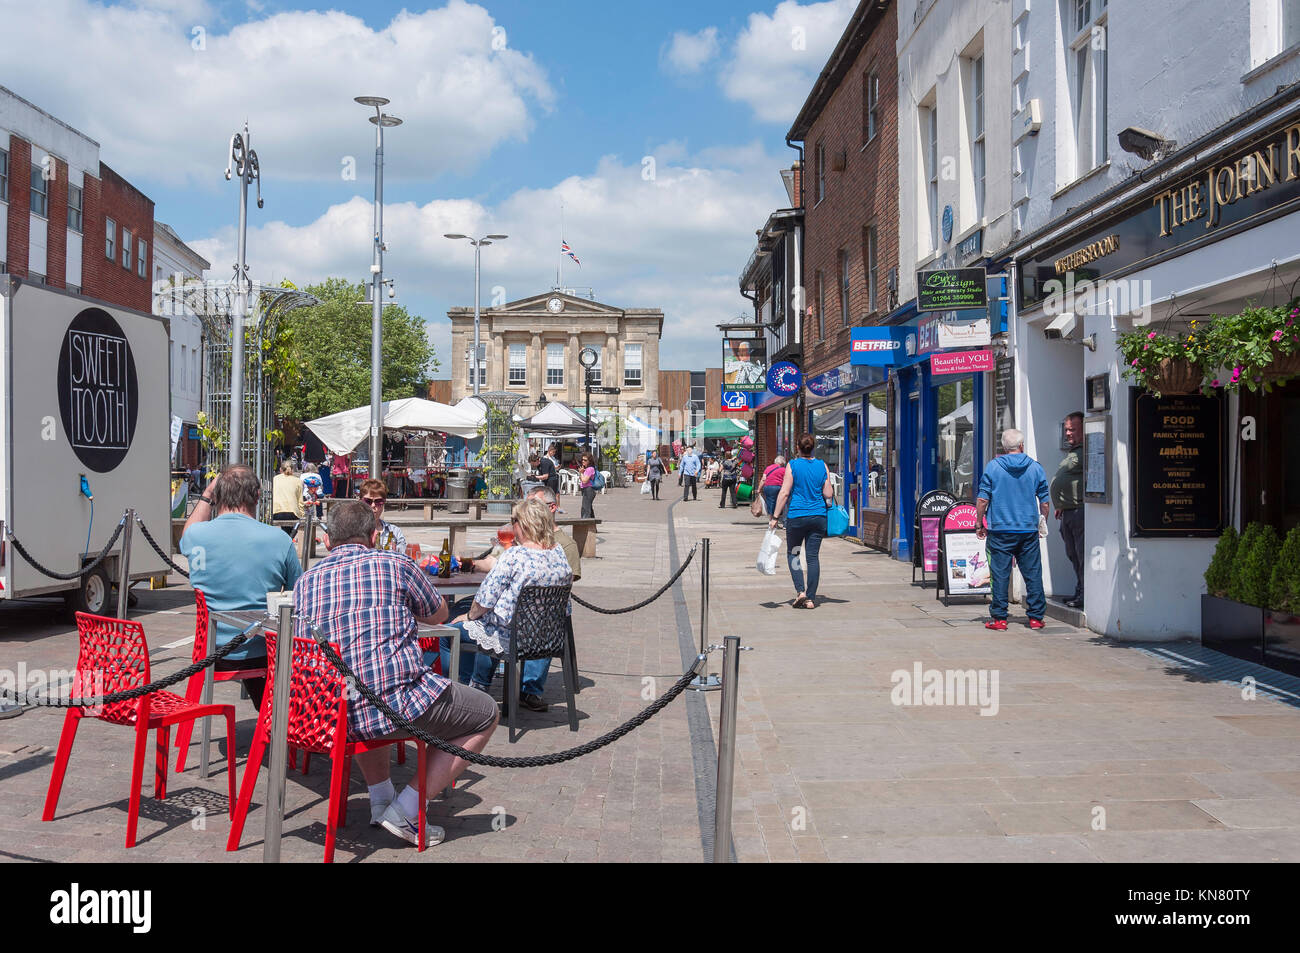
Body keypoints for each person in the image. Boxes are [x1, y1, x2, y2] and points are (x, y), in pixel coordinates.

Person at [294, 500, 496, 848]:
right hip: (393, 704)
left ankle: (381, 801)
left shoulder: (305, 582)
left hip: (330, 712)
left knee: (358, 681)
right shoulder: (396, 564)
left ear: (327, 541)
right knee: (485, 714)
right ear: (374, 535)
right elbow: (438, 614)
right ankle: (406, 810)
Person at [179, 464, 303, 710]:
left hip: (210, 651)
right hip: (260, 652)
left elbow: (187, 531)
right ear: (257, 497)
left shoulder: (197, 536)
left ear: (217, 495)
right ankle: (278, 720)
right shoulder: (279, 540)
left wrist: (206, 495)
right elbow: (298, 596)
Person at [437, 498, 573, 698]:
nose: (511, 526)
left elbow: (484, 600)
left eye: (514, 521)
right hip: (546, 638)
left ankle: (461, 693)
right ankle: (479, 686)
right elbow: (565, 608)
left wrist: (468, 616)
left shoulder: (515, 555)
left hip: (512, 638)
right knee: (488, 625)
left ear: (524, 524)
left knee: (451, 632)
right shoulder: (558, 554)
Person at [976, 428, 1050, 631]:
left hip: (1000, 530)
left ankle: (1000, 619)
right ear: (1021, 446)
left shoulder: (993, 467)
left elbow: (983, 499)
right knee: (1033, 572)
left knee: (1000, 574)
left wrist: (979, 522)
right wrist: (1043, 521)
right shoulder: (1035, 468)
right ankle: (1036, 617)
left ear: (1003, 447)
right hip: (1027, 530)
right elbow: (1045, 501)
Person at [769, 434, 834, 609]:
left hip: (797, 517)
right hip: (818, 517)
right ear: (813, 448)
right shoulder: (822, 465)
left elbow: (784, 493)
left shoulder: (793, 465)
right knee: (813, 557)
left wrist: (775, 517)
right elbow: (828, 494)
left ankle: (801, 592)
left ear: (797, 447)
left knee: (794, 553)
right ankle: (811, 598)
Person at [1051, 412, 1085, 609]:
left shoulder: (1086, 450)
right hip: (1068, 511)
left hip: (1079, 511)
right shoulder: (1074, 451)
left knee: (1080, 554)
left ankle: (1084, 594)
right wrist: (1061, 504)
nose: (1068, 433)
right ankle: (1079, 589)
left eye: (1072, 429)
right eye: (1066, 430)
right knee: (1072, 553)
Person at [358, 478, 406, 554]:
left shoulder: (395, 532)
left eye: (378, 502)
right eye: (368, 501)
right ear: (360, 502)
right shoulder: (352, 531)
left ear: (383, 503)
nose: (373, 505)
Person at [271, 460, 305, 534]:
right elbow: (300, 501)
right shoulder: (298, 481)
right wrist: (302, 514)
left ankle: (286, 540)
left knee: (286, 530)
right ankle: (289, 539)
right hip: (292, 512)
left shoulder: (275, 479)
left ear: (280, 469)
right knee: (291, 530)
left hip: (276, 512)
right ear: (292, 469)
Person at [761, 455, 787, 521]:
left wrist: (759, 488)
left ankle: (771, 521)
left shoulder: (768, 468)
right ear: (782, 462)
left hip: (768, 487)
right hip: (778, 487)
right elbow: (786, 480)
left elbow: (763, 479)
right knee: (780, 503)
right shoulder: (784, 469)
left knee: (770, 504)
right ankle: (780, 521)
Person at [578, 453, 597, 519]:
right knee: (588, 508)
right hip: (586, 489)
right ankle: (592, 526)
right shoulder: (586, 469)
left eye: (585, 460)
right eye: (582, 460)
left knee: (585, 509)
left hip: (589, 490)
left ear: (589, 461)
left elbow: (584, 481)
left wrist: (581, 473)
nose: (583, 461)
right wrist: (582, 473)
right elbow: (582, 479)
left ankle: (585, 524)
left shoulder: (590, 469)